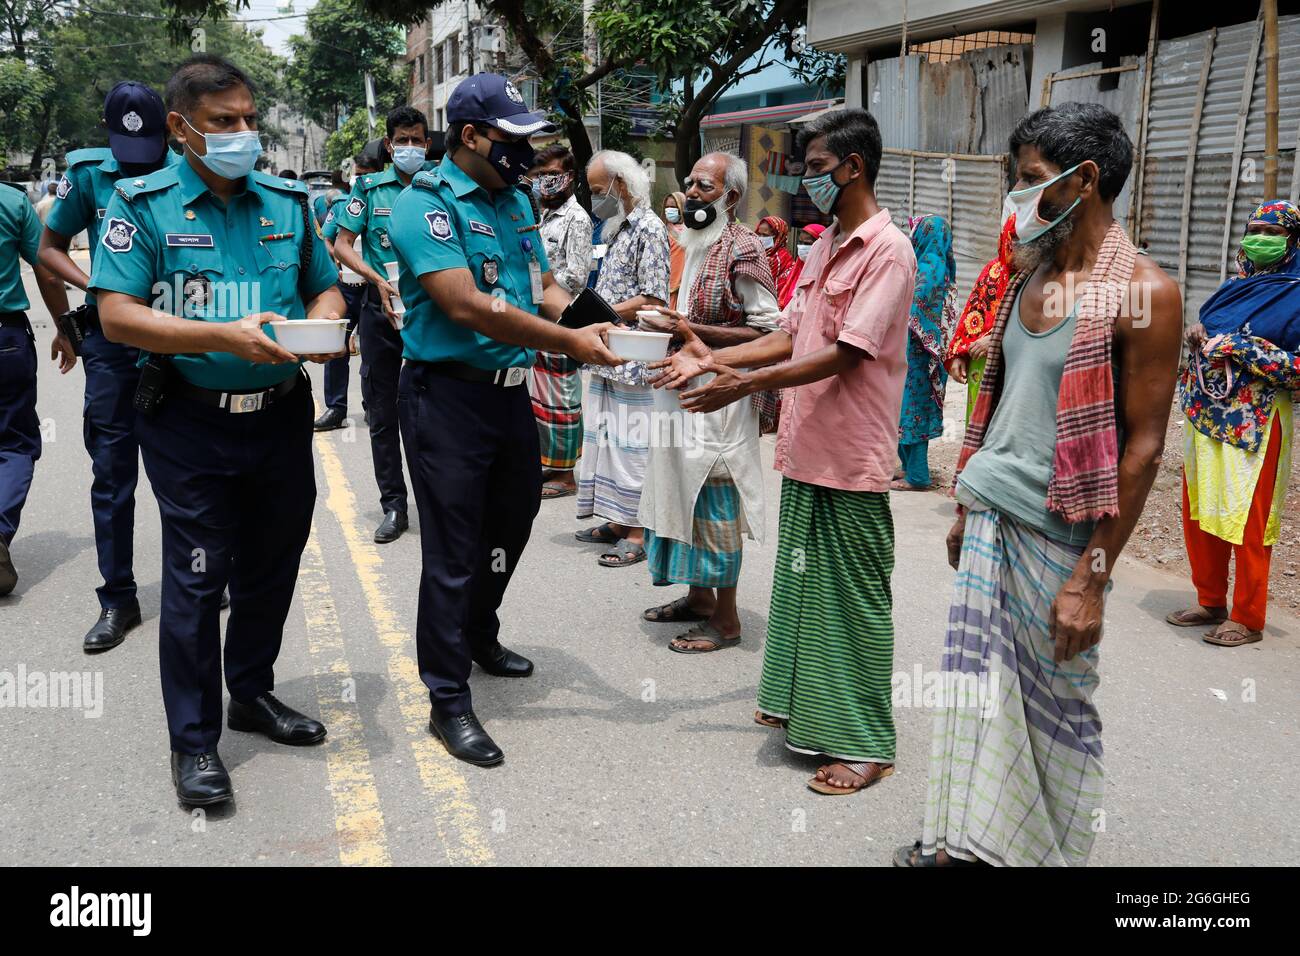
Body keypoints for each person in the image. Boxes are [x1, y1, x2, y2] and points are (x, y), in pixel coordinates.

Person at [896, 103, 1181, 868]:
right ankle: (968, 843)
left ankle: (1040, 855)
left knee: (1055, 716)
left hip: (1061, 539)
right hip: (994, 518)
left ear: (1084, 180)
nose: (1016, 198)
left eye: (1028, 180)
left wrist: (1091, 580)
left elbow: (1145, 450)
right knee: (977, 700)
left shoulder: (1145, 292)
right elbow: (1002, 404)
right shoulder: (1033, 276)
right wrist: (967, 504)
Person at [89, 54, 346, 808]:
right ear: (180, 128)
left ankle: (253, 693)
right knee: (199, 577)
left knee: (272, 563)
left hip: (279, 417)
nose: (243, 134)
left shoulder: (288, 202)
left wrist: (324, 322)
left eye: (249, 120)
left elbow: (324, 285)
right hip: (190, 422)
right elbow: (116, 313)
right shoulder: (142, 204)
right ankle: (194, 741)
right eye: (224, 122)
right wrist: (221, 337)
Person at [652, 108, 916, 795]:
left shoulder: (888, 251)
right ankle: (813, 716)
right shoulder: (828, 244)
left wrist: (744, 379)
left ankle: (866, 741)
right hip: (805, 450)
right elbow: (791, 332)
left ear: (853, 167)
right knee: (807, 595)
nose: (805, 179)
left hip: (851, 454)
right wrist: (716, 358)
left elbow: (844, 352)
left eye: (817, 167)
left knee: (855, 601)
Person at [387, 72, 621, 766]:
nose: (528, 152)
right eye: (513, 138)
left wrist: (602, 322)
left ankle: (479, 631)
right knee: (454, 550)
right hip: (447, 397)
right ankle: (447, 698)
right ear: (470, 135)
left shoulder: (515, 200)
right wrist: (569, 345)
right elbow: (465, 303)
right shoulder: (423, 205)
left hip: (508, 395)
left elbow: (543, 286)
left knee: (512, 521)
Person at [38, 81, 177, 651]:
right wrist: (96, 285)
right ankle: (118, 599)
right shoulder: (90, 173)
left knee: (187, 473)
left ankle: (200, 575)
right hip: (113, 347)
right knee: (113, 475)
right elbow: (49, 248)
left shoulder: (188, 169)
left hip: (175, 340)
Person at [638, 152, 779, 652]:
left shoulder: (743, 248)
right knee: (682, 489)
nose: (692, 194)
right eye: (690, 184)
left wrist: (687, 328)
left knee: (716, 495)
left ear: (732, 197)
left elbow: (766, 329)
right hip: (682, 387)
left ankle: (726, 618)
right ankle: (699, 598)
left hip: (720, 394)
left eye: (704, 186)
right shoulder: (696, 241)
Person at [1168, 199, 1300, 648]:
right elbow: (1210, 328)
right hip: (1205, 415)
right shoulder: (1235, 286)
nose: (1260, 238)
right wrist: (1197, 336)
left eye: (1273, 232)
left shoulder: (1297, 291)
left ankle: (1248, 616)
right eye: (1254, 229)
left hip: (1257, 424)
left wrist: (1243, 349)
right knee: (1200, 508)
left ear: (1293, 241)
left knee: (1248, 518)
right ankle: (1210, 600)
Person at [332, 105, 432, 544]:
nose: (410, 147)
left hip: (430, 314)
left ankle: (433, 502)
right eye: (402, 140)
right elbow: (341, 243)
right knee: (383, 412)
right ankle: (394, 504)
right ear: (390, 145)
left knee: (432, 413)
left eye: (418, 140)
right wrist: (375, 279)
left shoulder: (439, 188)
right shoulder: (370, 190)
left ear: (428, 145)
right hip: (380, 312)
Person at [574, 149, 671, 567]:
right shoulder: (615, 227)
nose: (596, 198)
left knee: (634, 448)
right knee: (606, 440)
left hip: (635, 357)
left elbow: (653, 297)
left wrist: (604, 312)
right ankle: (617, 519)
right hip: (608, 352)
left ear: (621, 185)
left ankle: (639, 531)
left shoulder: (649, 228)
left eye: (599, 190)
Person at [0, 188, 74, 597]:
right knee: (12, 443)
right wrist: (66, 329)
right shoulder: (11, 202)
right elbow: (47, 267)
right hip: (4, 338)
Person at [528, 144, 593, 500]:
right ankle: (548, 463)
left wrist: (537, 285)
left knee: (562, 398)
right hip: (536, 319)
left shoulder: (577, 219)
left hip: (562, 318)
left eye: (552, 175)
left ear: (568, 177)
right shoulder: (537, 213)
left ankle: (565, 473)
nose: (545, 182)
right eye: (539, 176)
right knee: (541, 398)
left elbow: (577, 275)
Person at [315, 153, 380, 432]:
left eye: (368, 172)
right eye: (358, 172)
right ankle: (336, 408)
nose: (362, 177)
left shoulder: (386, 201)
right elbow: (326, 239)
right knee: (336, 348)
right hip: (345, 290)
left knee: (374, 351)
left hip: (373, 290)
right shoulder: (342, 204)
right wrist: (337, 259)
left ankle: (373, 406)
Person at [894, 214, 956, 491]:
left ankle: (917, 476)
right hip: (915, 355)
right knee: (903, 409)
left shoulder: (931, 268)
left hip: (920, 357)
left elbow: (916, 311)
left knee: (913, 411)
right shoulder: (931, 265)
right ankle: (908, 467)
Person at [945, 213, 1015, 424]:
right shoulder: (992, 272)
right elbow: (973, 316)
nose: (1017, 247)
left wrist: (994, 340)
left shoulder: (1039, 277)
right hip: (982, 369)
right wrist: (959, 355)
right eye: (1014, 239)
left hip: (1015, 372)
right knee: (979, 430)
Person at [755, 215, 801, 309]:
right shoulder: (756, 252)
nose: (761, 238)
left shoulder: (782, 258)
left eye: (765, 235)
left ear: (778, 236)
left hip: (771, 306)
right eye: (759, 234)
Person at [663, 190, 686, 304]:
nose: (669, 210)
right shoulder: (661, 230)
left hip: (685, 285)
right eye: (666, 207)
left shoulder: (692, 232)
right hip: (665, 284)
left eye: (673, 206)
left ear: (681, 207)